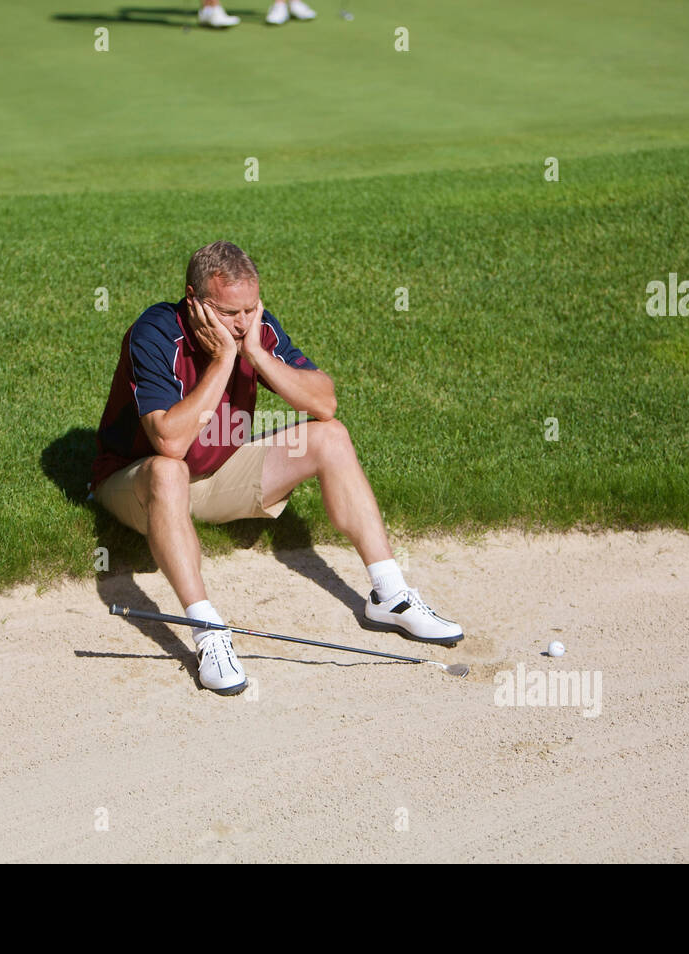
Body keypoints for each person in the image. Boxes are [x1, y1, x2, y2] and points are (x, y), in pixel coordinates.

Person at [90, 242, 462, 695]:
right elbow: (170, 440)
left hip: (214, 477)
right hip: (138, 484)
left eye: (251, 308)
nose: (244, 322)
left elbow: (325, 401)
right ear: (193, 300)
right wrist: (225, 359)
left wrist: (257, 355)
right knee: (170, 470)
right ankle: (209, 634)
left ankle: (390, 595)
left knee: (330, 435)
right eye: (229, 312)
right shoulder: (153, 333)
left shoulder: (255, 330)